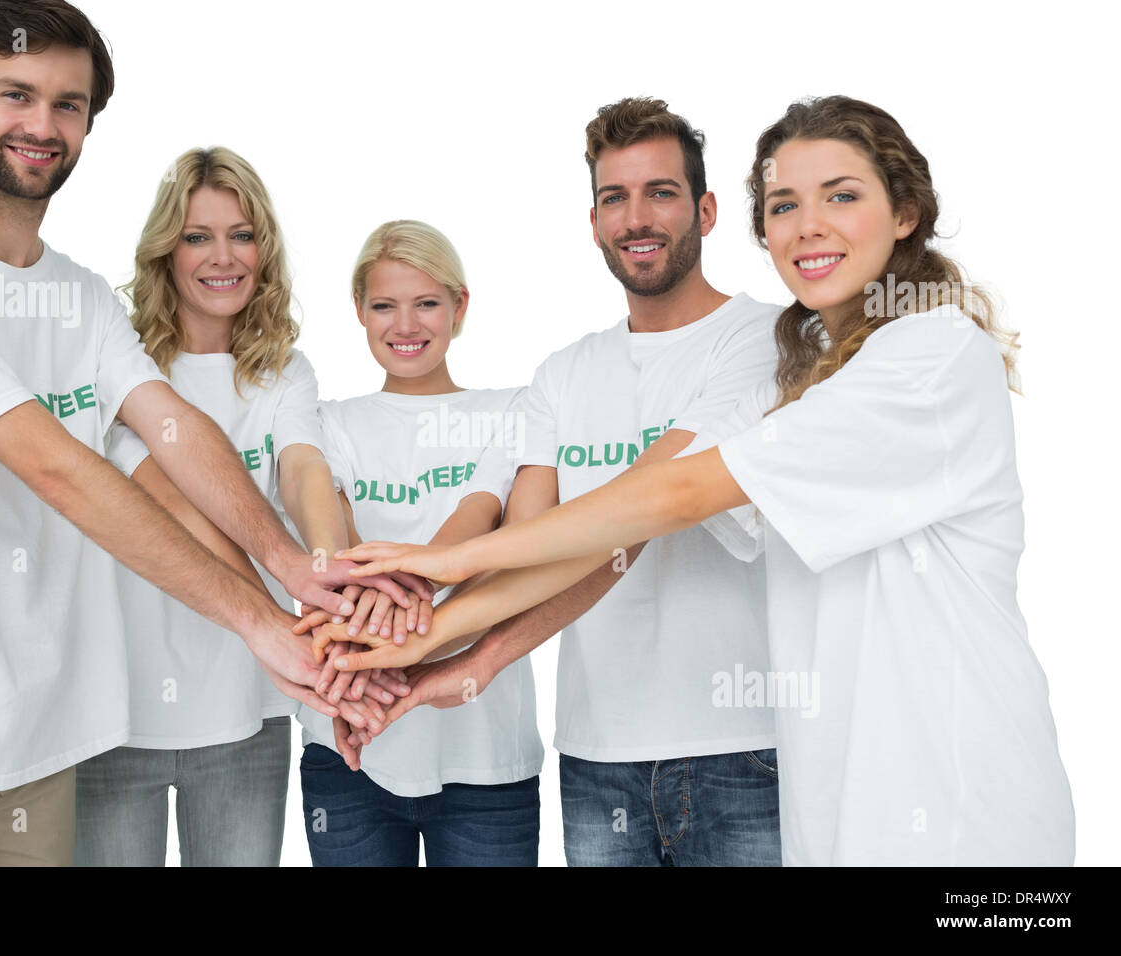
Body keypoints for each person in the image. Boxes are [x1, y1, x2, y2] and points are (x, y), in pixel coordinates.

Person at [335, 95, 1076, 866]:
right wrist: (449, 655)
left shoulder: (923, 356)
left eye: (843, 195)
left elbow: (669, 498)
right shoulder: (813, 370)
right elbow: (612, 549)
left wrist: (447, 571)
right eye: (786, 204)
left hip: (956, 809)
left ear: (906, 213)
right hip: (837, 797)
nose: (809, 224)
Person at [0, 0, 404, 866]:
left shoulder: (84, 297)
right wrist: (263, 622)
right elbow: (55, 467)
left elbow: (172, 427)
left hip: (43, 747)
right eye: (16, 95)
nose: (43, 125)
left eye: (69, 104)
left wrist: (294, 569)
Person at [323, 98, 784, 867]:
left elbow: (648, 507)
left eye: (661, 192)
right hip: (596, 760)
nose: (637, 217)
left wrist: (442, 570)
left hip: (741, 751)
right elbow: (527, 555)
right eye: (615, 197)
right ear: (595, 220)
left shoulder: (767, 340)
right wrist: (422, 668)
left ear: (705, 211)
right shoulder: (563, 376)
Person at [73, 147, 409, 866]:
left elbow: (303, 468)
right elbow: (168, 505)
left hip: (247, 714)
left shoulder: (285, 370)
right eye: (198, 236)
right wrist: (290, 594)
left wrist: (330, 575)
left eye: (242, 234)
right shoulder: (119, 361)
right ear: (166, 250)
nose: (222, 256)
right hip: (116, 716)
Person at [295, 220, 544, 867]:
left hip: (486, 760)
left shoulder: (514, 410)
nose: (406, 324)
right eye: (385, 305)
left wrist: (410, 584)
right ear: (360, 312)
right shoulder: (331, 422)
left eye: (427, 302)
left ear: (460, 307)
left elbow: (489, 518)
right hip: (350, 750)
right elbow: (341, 550)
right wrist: (401, 590)